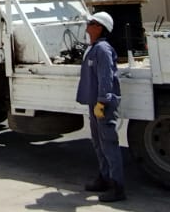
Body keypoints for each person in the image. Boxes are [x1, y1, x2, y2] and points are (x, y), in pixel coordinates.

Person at [76, 11, 126, 202]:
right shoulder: (94, 48)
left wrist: (102, 102)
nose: (87, 25)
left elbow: (106, 78)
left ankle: (117, 187)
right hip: (94, 103)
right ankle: (104, 178)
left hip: (102, 104)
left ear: (99, 27)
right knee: (98, 143)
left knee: (108, 144)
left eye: (91, 22)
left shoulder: (103, 50)